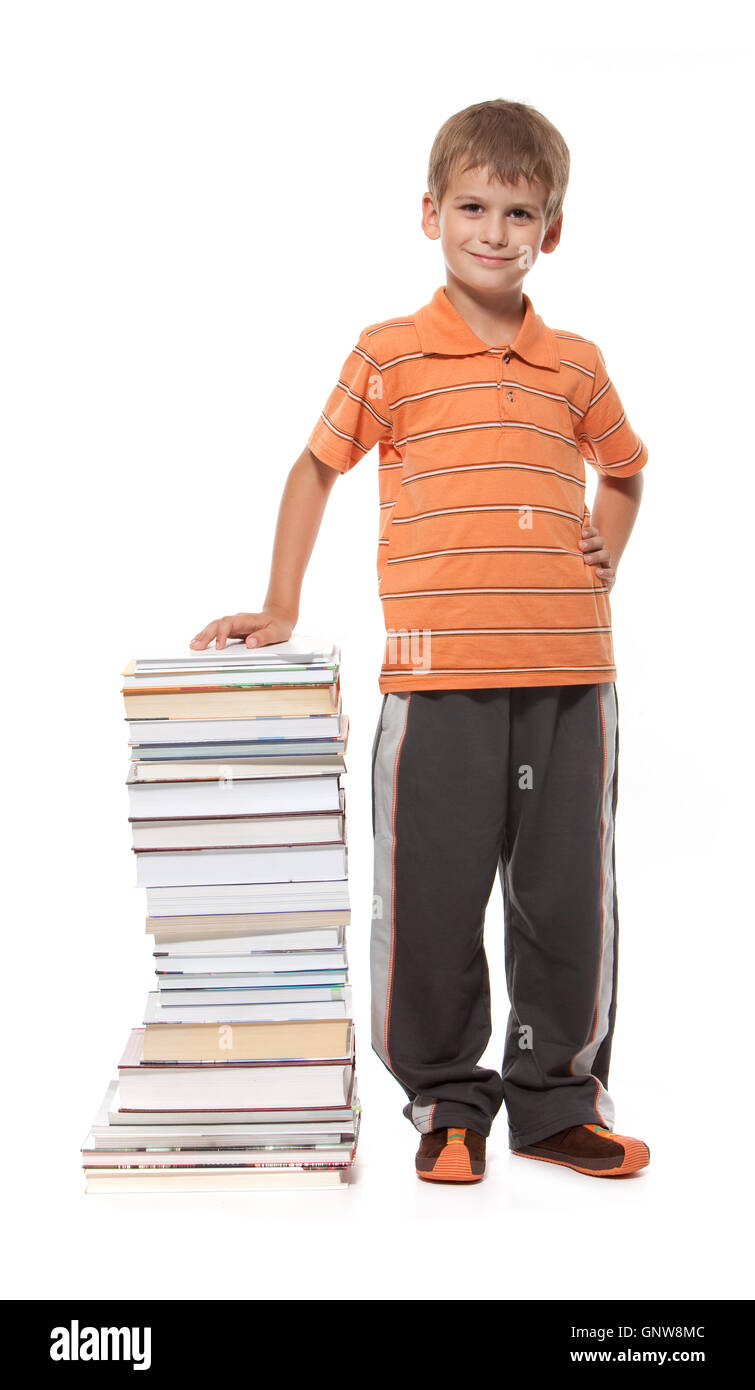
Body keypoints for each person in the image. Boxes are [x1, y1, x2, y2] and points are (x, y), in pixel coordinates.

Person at [190, 98, 651, 1184]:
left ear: (552, 231)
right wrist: (280, 600)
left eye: (521, 212)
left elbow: (625, 467)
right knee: (433, 897)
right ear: (431, 212)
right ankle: (446, 1101)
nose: (495, 231)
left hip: (570, 681)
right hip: (439, 683)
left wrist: (606, 549)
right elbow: (315, 467)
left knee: (565, 899)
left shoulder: (573, 364)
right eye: (473, 207)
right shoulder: (389, 355)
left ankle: (554, 1101)